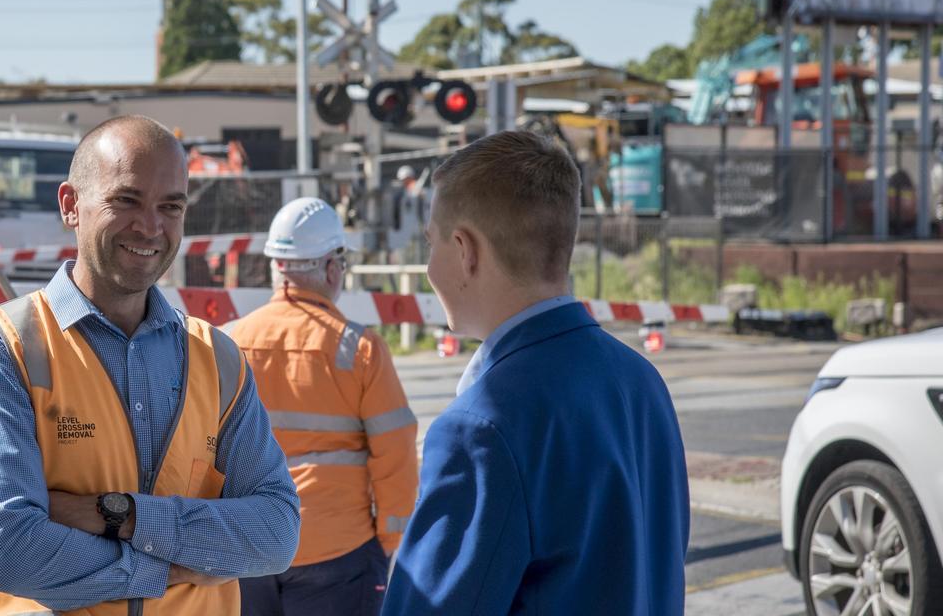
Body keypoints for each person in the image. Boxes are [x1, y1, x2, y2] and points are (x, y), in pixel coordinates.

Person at [0, 115, 300, 615]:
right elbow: (10, 552)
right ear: (70, 205)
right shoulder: (1, 349)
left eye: (170, 207)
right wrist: (168, 569)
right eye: (127, 200)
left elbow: (276, 533)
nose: (150, 226)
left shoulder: (218, 359)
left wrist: (120, 516)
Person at [383, 129, 689, 615]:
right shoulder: (643, 381)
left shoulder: (480, 430)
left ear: (465, 251)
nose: (429, 268)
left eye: (430, 244)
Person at [227, 197, 418, 616]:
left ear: (277, 268)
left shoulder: (229, 343)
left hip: (251, 543)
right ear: (331, 268)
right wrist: (389, 541)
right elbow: (396, 454)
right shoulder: (360, 349)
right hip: (338, 549)